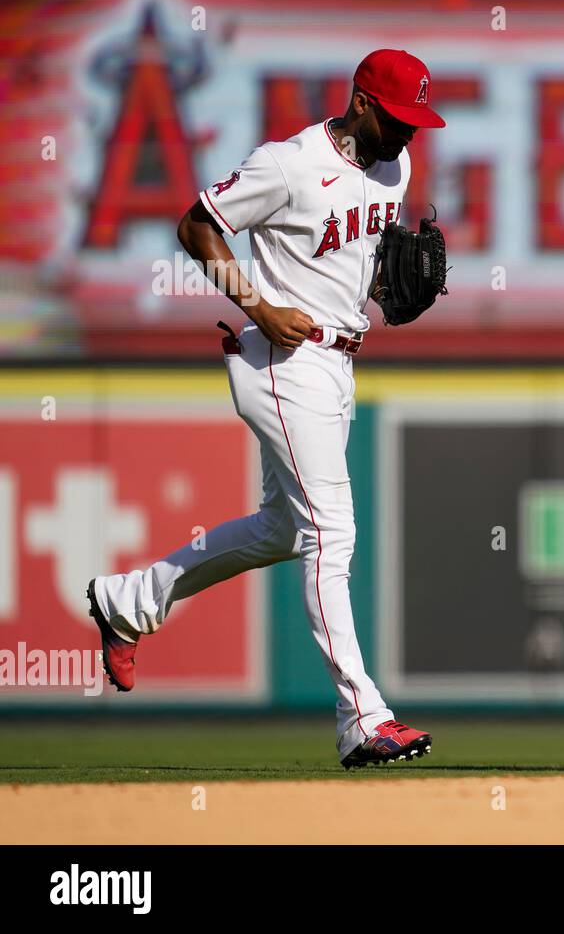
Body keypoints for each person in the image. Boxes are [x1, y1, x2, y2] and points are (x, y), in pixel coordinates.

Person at [87, 49, 445, 769]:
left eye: (418, 121)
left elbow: (353, 256)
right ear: (363, 103)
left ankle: (128, 600)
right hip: (284, 358)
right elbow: (197, 228)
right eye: (399, 119)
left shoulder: (393, 169)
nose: (408, 135)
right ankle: (362, 718)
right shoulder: (287, 163)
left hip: (340, 362)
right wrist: (256, 302)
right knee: (331, 535)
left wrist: (382, 288)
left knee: (285, 530)